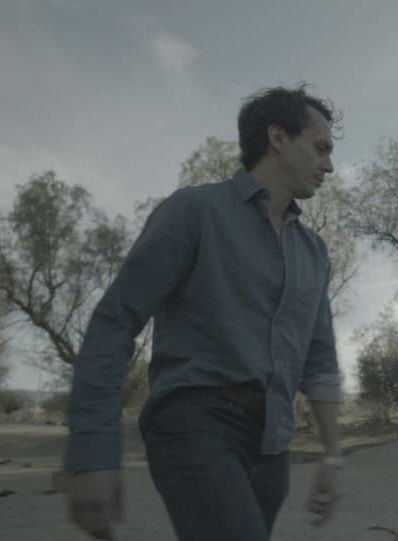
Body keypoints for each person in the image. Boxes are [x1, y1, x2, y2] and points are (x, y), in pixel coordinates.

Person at [64, 84, 344, 541]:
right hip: (193, 425)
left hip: (273, 447)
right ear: (278, 138)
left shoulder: (313, 252)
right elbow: (115, 322)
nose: (329, 165)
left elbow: (319, 358)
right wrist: (92, 451)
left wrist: (332, 456)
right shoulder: (195, 211)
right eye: (320, 148)